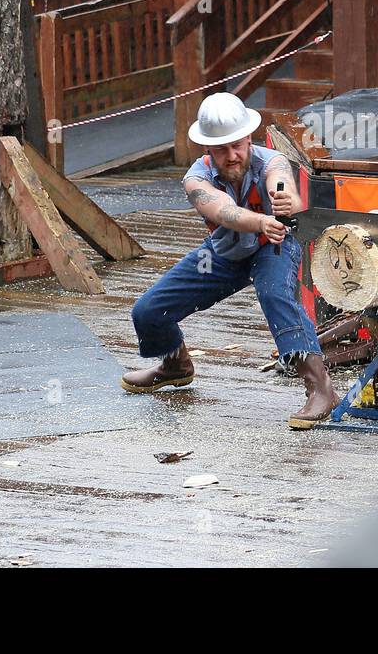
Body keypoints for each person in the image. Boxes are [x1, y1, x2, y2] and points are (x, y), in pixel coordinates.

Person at [121, 93, 340, 429]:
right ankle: (175, 364)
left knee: (275, 294)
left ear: (248, 139)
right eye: (222, 149)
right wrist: (259, 221)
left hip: (274, 246)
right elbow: (222, 210)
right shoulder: (196, 178)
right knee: (148, 311)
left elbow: (283, 186)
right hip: (223, 252)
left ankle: (321, 387)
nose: (232, 155)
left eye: (237, 145)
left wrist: (284, 200)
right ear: (208, 149)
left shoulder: (273, 161)